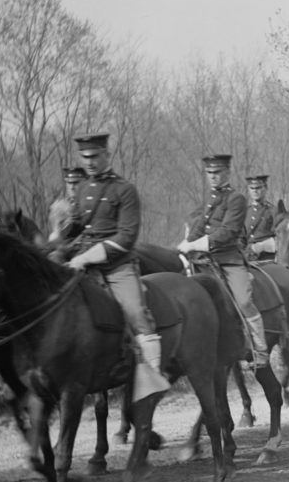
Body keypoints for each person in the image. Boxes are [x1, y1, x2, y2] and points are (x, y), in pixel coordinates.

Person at [63, 134, 169, 397]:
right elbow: (77, 227)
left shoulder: (124, 189)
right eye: (85, 157)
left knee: (136, 313)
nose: (89, 162)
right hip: (83, 263)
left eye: (94, 156)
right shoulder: (83, 188)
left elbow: (126, 237)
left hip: (117, 266)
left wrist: (87, 257)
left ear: (106, 155)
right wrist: (58, 236)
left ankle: (152, 379)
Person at [177, 154, 268, 368]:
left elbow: (227, 232)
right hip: (204, 260)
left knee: (244, 301)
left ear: (227, 173)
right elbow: (200, 226)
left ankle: (260, 350)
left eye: (217, 173)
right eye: (209, 173)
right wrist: (184, 245)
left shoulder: (236, 199)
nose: (213, 177)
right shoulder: (210, 198)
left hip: (229, 259)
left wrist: (194, 245)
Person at [244, 175, 276, 261]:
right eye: (252, 188)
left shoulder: (273, 211)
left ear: (265, 188)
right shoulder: (245, 211)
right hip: (245, 257)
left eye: (258, 188)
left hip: (266, 258)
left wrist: (260, 247)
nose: (255, 191)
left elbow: (280, 238)